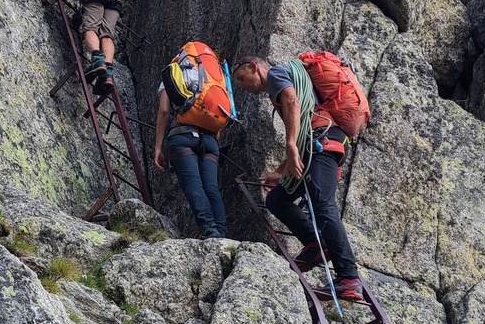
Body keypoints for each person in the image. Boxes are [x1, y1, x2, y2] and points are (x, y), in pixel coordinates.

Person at [232, 54, 362, 302]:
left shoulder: (277, 75)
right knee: (277, 200)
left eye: (241, 78)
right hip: (316, 144)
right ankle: (316, 244)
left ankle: (349, 278)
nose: (241, 85)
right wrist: (281, 172)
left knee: (323, 204)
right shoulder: (276, 88)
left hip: (323, 142)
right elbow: (301, 130)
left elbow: (293, 102)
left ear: (254, 67)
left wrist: (290, 145)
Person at [153, 79, 226, 239]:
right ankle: (221, 232)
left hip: (182, 136)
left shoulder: (173, 71)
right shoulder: (215, 75)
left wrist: (158, 147)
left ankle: (209, 228)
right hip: (210, 140)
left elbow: (164, 111)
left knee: (193, 183)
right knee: (211, 188)